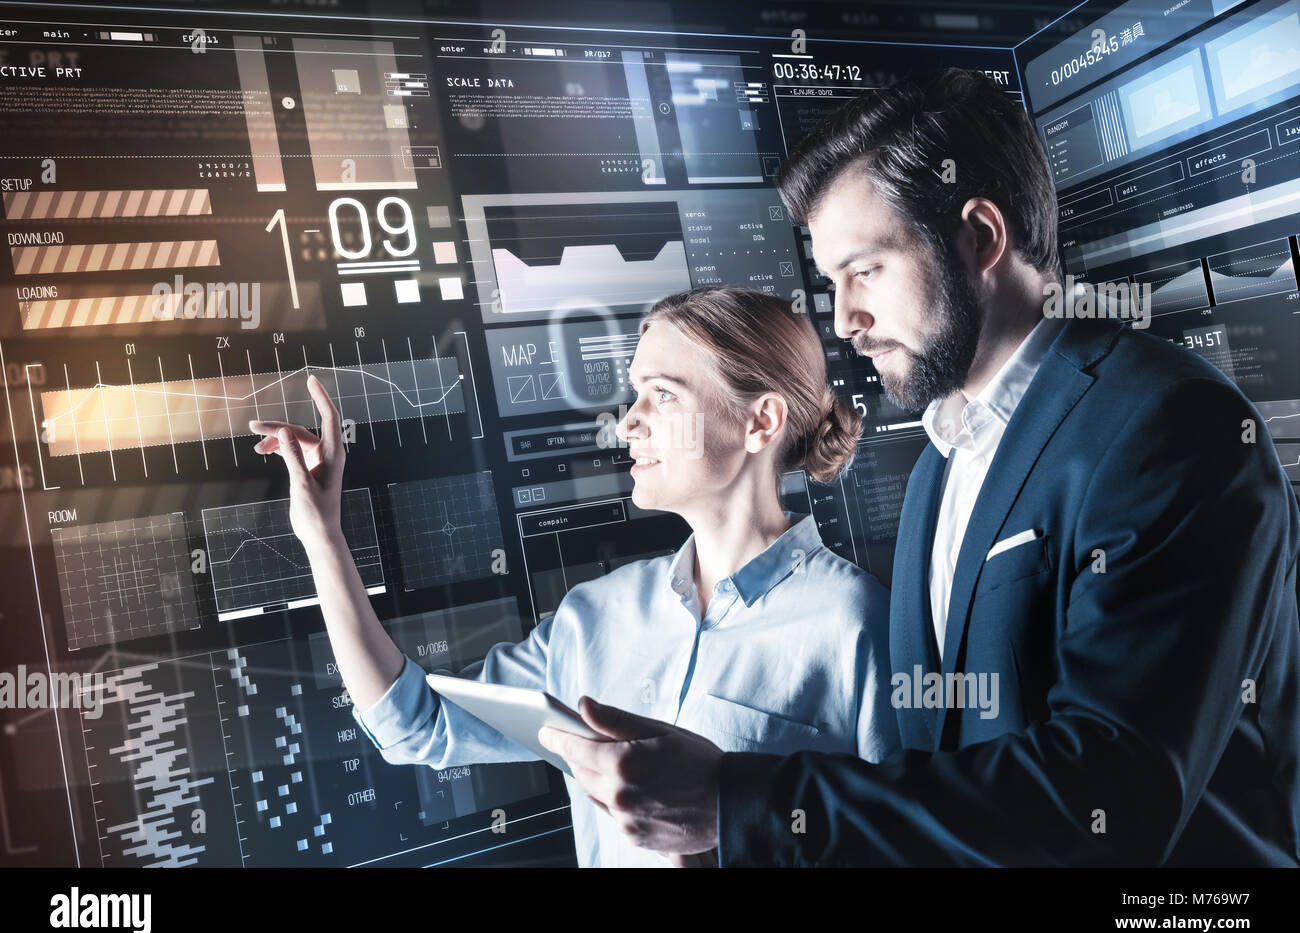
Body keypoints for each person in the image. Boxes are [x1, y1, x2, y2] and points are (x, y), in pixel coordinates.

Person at [537, 67, 1300, 866]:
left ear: (979, 237)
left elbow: (1106, 797)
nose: (845, 319)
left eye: (865, 270)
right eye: (832, 282)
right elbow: (942, 778)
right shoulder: (941, 469)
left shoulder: (1168, 426)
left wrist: (740, 801)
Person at [248, 285, 898, 867]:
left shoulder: (857, 624)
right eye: (635, 392)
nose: (628, 422)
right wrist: (322, 536)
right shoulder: (593, 619)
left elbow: (906, 840)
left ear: (761, 421)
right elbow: (415, 724)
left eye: (662, 393)